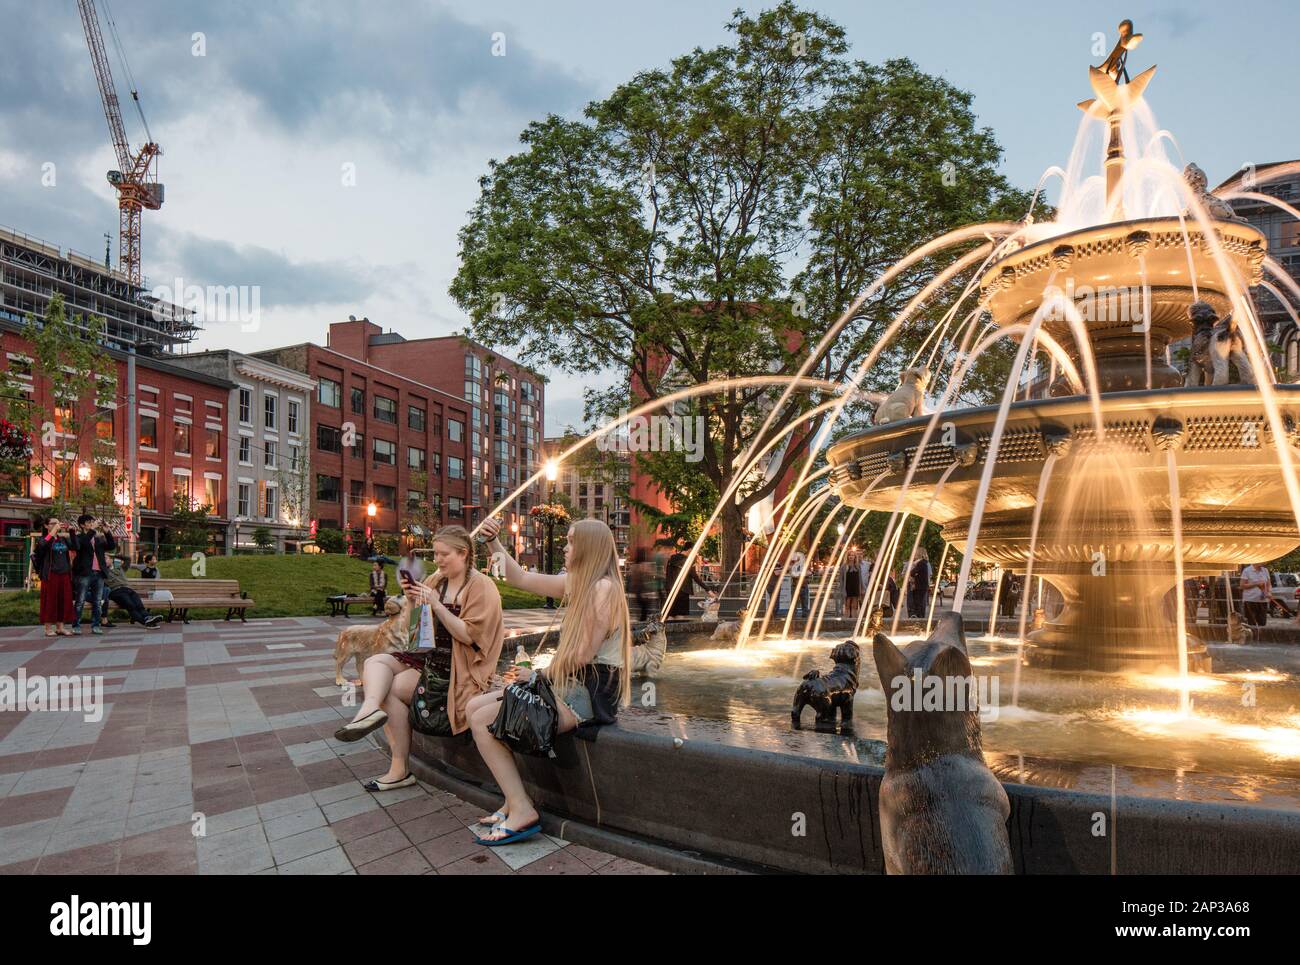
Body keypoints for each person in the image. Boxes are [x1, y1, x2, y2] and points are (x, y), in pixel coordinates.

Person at [467, 517, 632, 845]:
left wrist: (539, 675)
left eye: (571, 541)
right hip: (569, 683)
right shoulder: (580, 583)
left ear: (588, 547)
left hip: (588, 691)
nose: (565, 547)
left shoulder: (603, 589)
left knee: (484, 717)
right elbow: (520, 577)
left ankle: (522, 808)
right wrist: (493, 542)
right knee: (473, 706)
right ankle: (512, 800)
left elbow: (583, 656)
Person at [334, 525, 505, 792]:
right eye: (435, 554)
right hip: (432, 659)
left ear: (463, 553)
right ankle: (369, 710)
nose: (436, 560)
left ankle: (399, 769)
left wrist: (436, 604)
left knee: (389, 689)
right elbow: (417, 636)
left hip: (461, 670)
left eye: (443, 554)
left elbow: (470, 636)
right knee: (373, 663)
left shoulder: (482, 586)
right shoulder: (436, 582)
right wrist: (413, 601)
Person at [70, 515, 115, 635]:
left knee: (97, 601)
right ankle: (76, 625)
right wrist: (92, 531)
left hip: (98, 573)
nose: (91, 524)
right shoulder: (79, 538)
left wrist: (107, 532)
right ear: (82, 525)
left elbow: (111, 546)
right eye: (89, 522)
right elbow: (81, 545)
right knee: (80, 601)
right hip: (85, 573)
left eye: (92, 522)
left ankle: (95, 625)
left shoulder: (98, 538)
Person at [34, 517, 76, 637]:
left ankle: (60, 627)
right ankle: (48, 628)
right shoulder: (44, 539)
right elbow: (42, 546)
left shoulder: (62, 539)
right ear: (47, 526)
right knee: (50, 601)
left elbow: (76, 546)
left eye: (58, 523)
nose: (57, 525)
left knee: (63, 601)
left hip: (64, 574)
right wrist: (53, 532)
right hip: (51, 575)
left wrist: (72, 532)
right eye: (53, 523)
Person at [102, 557, 165, 628]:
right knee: (131, 606)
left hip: (128, 590)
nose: (104, 560)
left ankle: (149, 618)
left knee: (139, 606)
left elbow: (127, 559)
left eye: (106, 558)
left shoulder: (120, 569)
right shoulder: (102, 572)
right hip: (116, 591)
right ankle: (145, 622)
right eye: (102, 559)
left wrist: (114, 555)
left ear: (111, 560)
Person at [664, 545, 711, 620]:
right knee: (680, 615)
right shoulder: (688, 561)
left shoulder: (671, 559)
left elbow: (667, 574)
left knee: (671, 615)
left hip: (670, 590)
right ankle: (680, 631)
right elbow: (695, 577)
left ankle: (669, 631)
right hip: (683, 591)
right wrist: (708, 590)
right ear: (690, 550)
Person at [1240, 561, 1271, 629]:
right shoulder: (1247, 570)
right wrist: (1256, 584)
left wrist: (1269, 592)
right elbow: (1242, 585)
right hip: (1250, 600)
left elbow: (1268, 584)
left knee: (1262, 623)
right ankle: (1251, 637)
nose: (1264, 562)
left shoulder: (1265, 570)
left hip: (1263, 600)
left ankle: (1260, 638)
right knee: (1251, 623)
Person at [844, 552, 862, 618]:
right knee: (847, 605)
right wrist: (842, 590)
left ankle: (854, 620)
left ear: (855, 557)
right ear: (847, 556)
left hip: (856, 587)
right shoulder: (844, 566)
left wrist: (861, 589)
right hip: (847, 587)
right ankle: (846, 620)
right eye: (849, 555)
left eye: (853, 555)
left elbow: (860, 579)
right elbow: (841, 579)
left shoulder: (858, 566)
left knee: (854, 605)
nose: (851, 557)